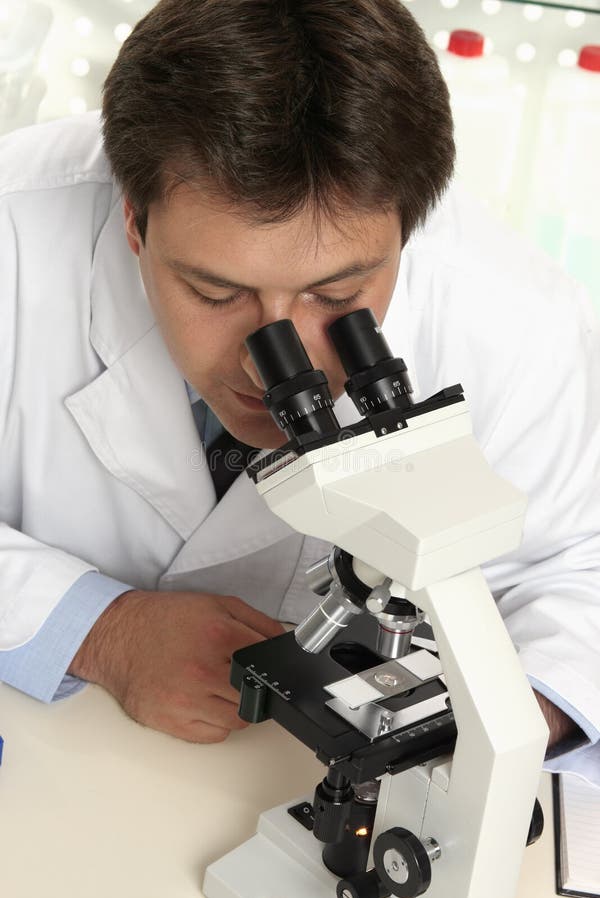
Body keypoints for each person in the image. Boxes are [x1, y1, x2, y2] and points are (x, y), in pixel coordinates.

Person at [0, 0, 598, 781]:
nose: (274, 365)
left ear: (408, 232)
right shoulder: (15, 229)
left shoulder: (517, 316)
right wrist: (97, 627)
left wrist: (491, 732)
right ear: (134, 221)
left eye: (339, 293)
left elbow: (578, 568)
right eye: (215, 292)